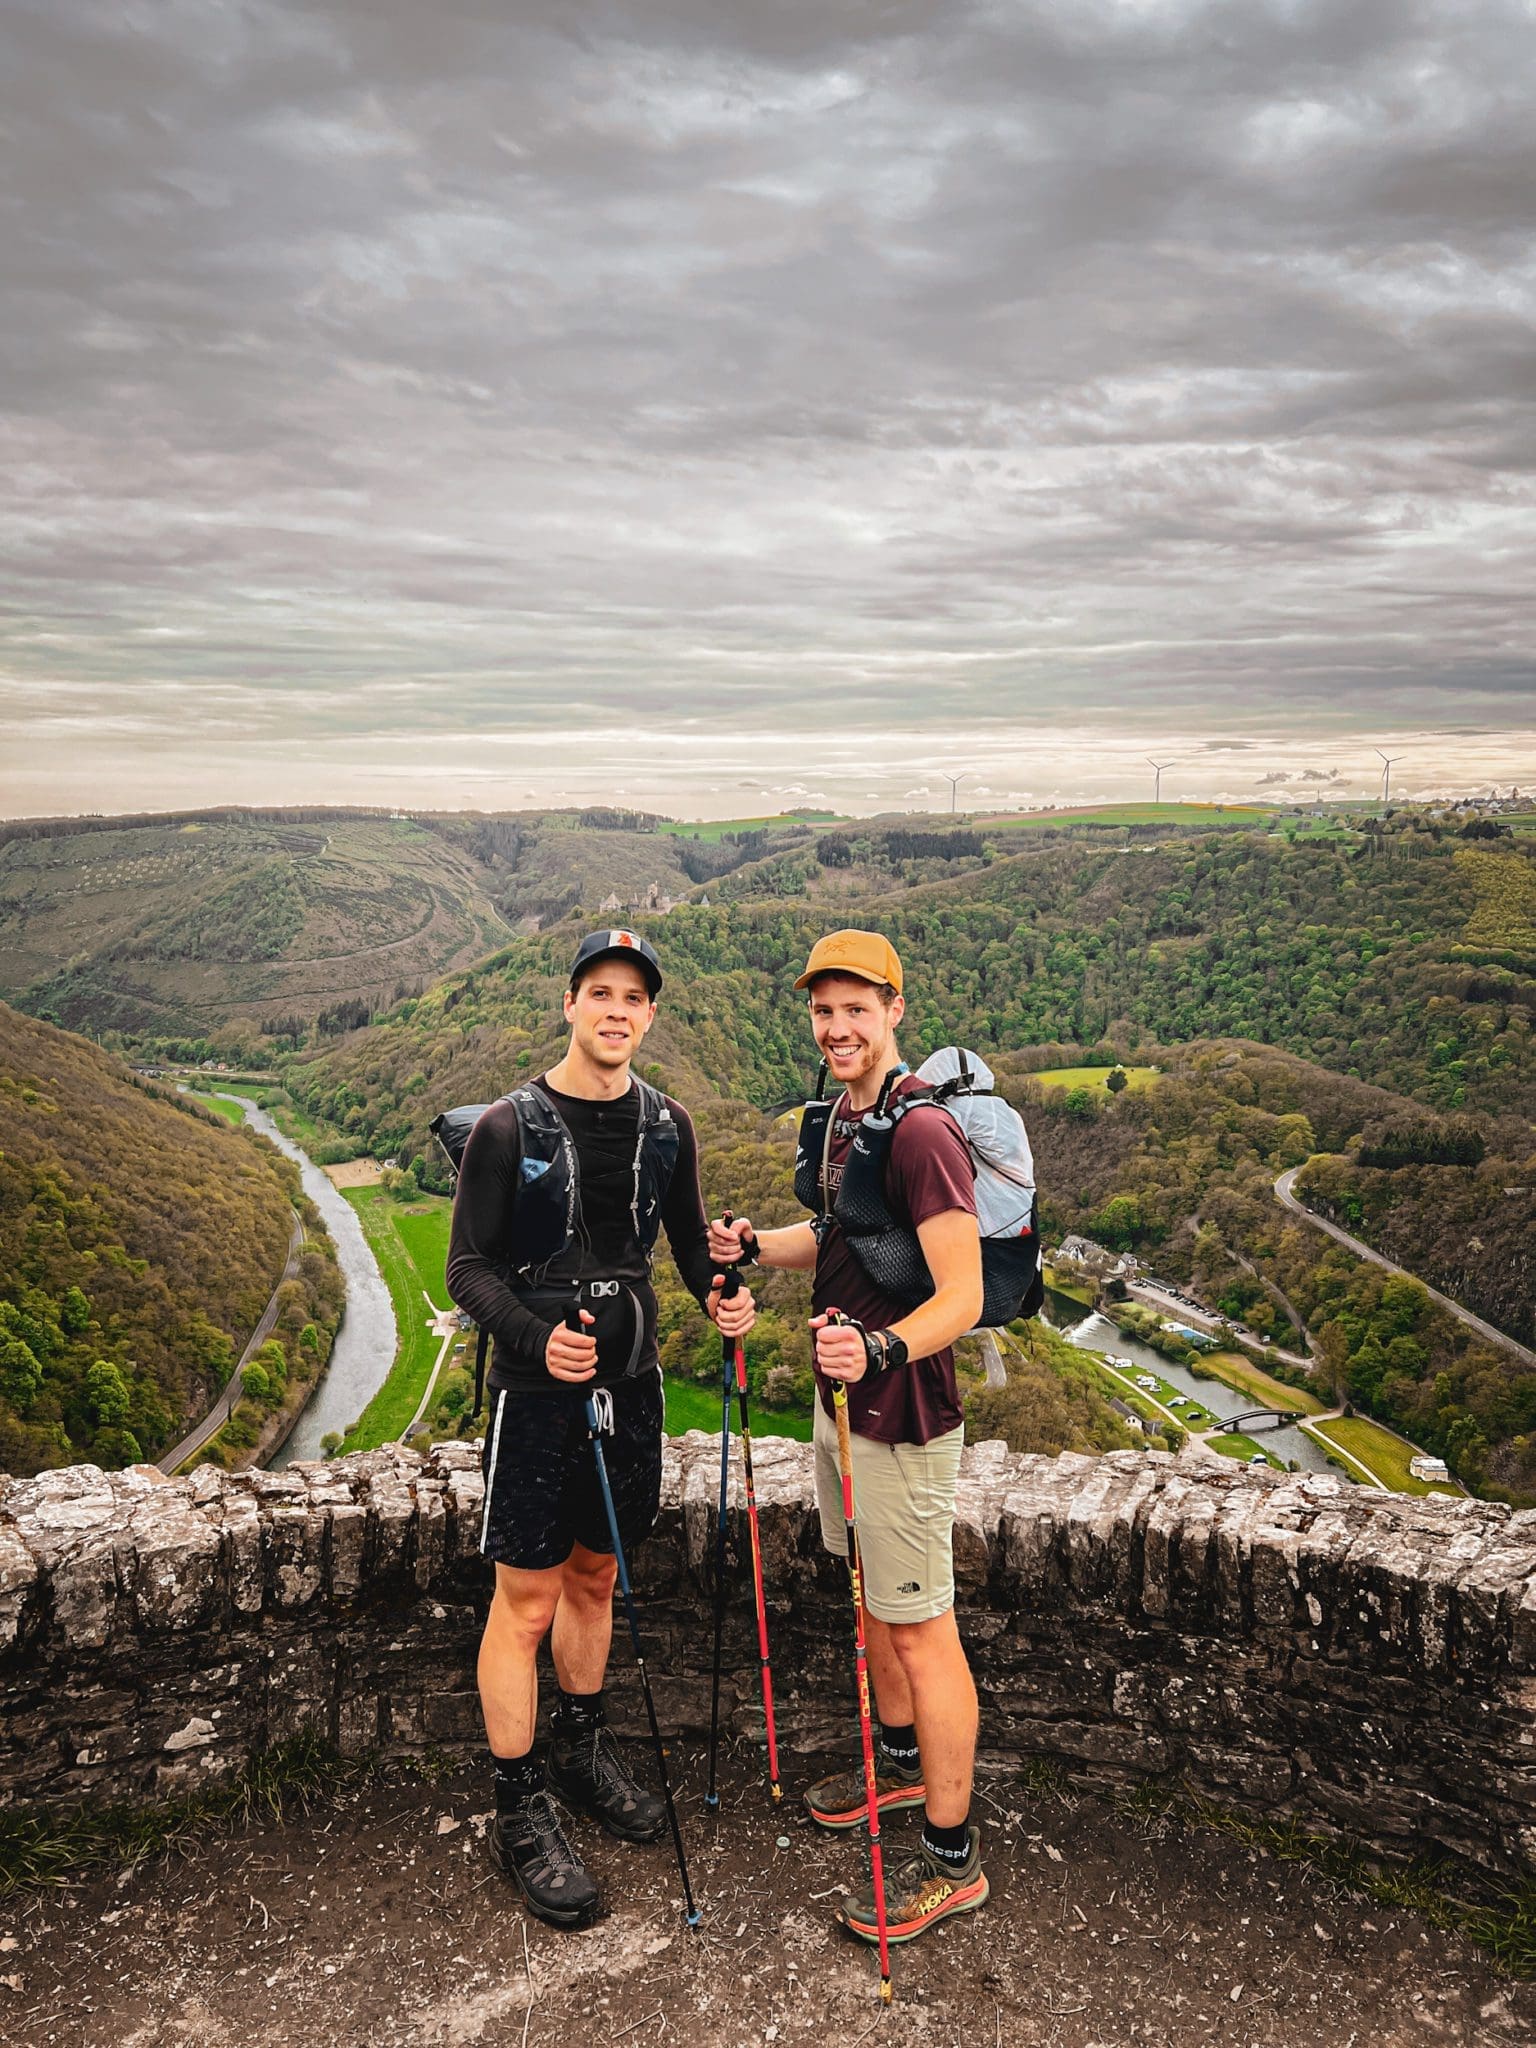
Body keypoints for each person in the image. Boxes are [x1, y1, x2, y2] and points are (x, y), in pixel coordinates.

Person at [447, 927, 755, 1930]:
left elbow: (688, 1248)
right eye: (599, 992)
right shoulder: (506, 1125)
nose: (617, 1010)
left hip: (632, 1389)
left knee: (593, 1577)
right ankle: (519, 1804)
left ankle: (582, 1748)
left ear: (651, 1014)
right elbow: (469, 1269)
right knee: (525, 1600)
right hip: (534, 1401)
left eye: (635, 996)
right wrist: (540, 1340)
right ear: (569, 1003)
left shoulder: (669, 1126)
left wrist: (726, 1296)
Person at [708, 928, 989, 1945]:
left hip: (901, 1418)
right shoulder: (838, 1120)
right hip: (843, 1412)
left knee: (923, 1628)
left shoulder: (921, 1136)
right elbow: (837, 1237)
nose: (837, 1027)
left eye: (855, 1008)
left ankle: (952, 1860)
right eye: (823, 1010)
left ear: (893, 1009)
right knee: (874, 1607)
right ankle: (902, 1771)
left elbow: (964, 1291)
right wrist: (751, 1245)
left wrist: (877, 1352)